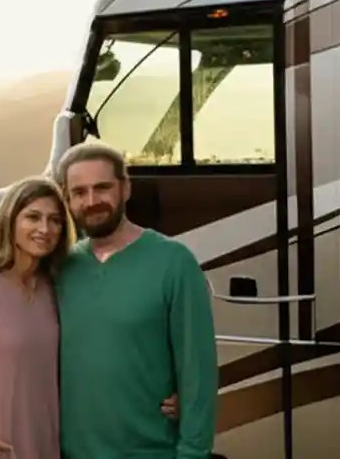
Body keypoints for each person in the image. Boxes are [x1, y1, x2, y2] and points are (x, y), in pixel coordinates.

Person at [0, 175, 180, 459]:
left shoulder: (54, 288)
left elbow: (110, 343)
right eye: (33, 217)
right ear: (10, 221)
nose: (45, 228)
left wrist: (167, 388)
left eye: (55, 220)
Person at [52, 141, 219, 459]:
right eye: (80, 192)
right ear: (67, 198)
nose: (92, 201)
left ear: (125, 188)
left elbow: (198, 373)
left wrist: (193, 452)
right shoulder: (60, 268)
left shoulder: (174, 262)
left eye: (102, 188)